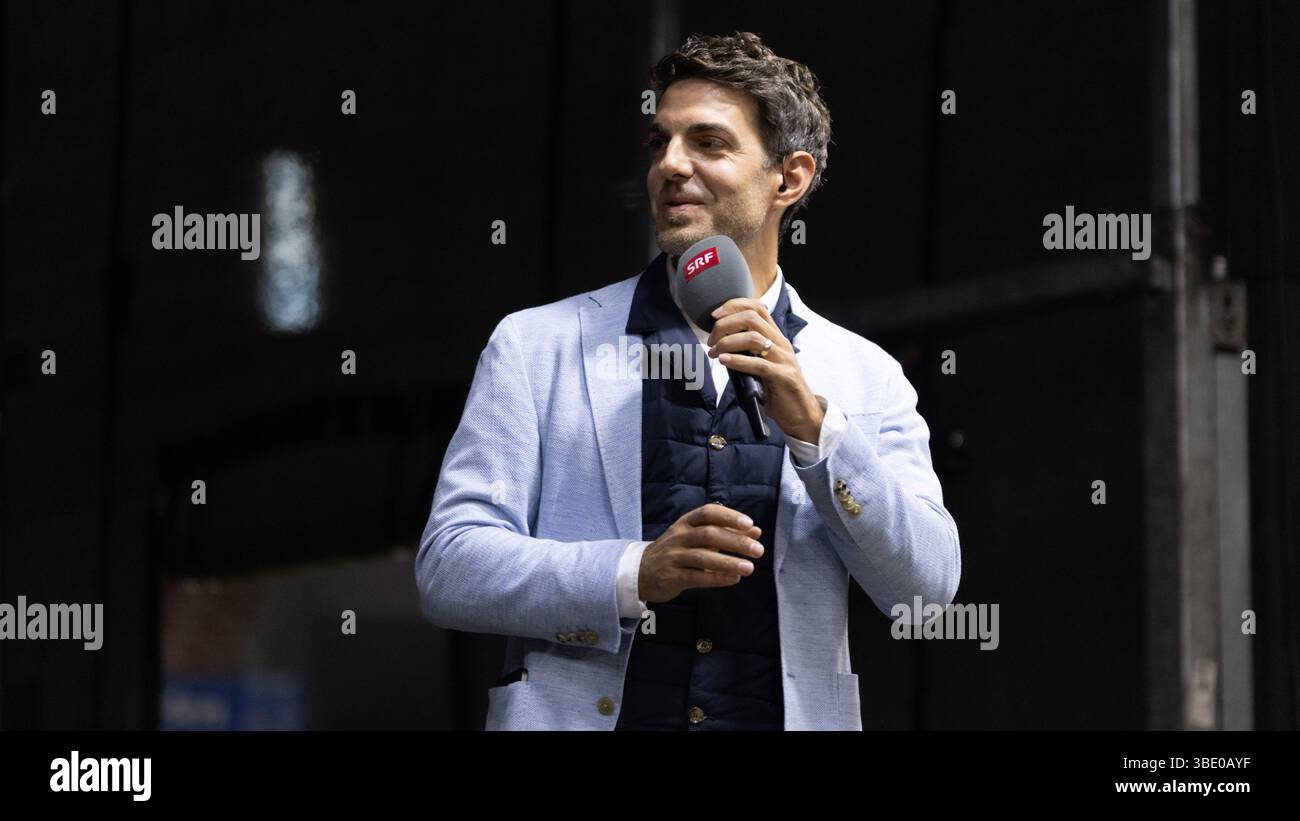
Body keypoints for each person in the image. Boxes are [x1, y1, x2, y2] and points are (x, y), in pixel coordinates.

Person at [416, 31, 960, 730]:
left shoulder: (863, 372)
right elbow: (450, 567)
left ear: (787, 179)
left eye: (707, 143)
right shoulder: (537, 345)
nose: (670, 165)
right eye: (659, 143)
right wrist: (633, 572)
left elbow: (928, 590)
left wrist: (819, 433)